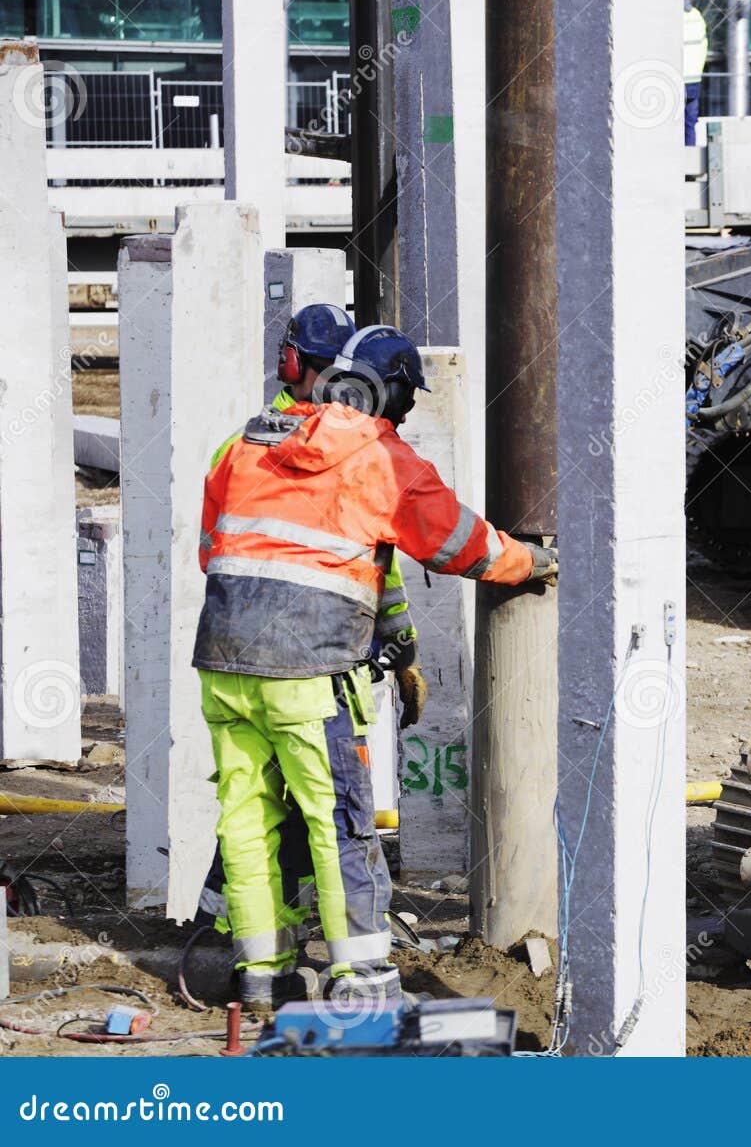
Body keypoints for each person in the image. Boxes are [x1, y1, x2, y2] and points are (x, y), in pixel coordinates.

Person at [194, 321, 555, 1012]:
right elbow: (462, 546)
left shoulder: (247, 444)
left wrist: (391, 634)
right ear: (386, 394)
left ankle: (262, 973)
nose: (407, 415)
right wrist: (533, 560)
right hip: (309, 673)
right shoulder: (382, 459)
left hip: (225, 663)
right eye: (406, 402)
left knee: (246, 817)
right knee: (340, 822)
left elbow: (221, 551)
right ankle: (360, 979)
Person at [684, 0, 707, 146]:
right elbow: (703, 47)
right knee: (689, 123)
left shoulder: (672, 17)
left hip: (677, 78)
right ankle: (689, 165)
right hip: (694, 78)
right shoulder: (697, 16)